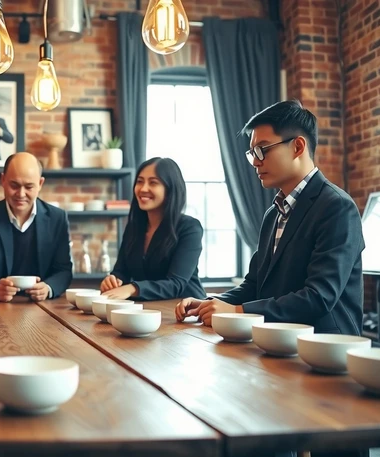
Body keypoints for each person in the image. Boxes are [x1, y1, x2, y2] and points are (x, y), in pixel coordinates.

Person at [175, 100, 365, 338]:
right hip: (278, 342)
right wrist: (208, 303)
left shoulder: (337, 207)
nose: (255, 161)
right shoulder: (273, 213)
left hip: (325, 347)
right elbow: (254, 286)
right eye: (252, 152)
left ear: (297, 147)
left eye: (262, 150)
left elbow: (318, 297)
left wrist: (238, 311)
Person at [0, 152, 72, 302]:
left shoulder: (57, 219)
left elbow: (64, 271)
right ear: (3, 180)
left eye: (29, 187)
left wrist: (48, 287)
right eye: (14, 185)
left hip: (46, 308)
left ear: (40, 184)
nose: (21, 194)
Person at [100, 157, 205, 301]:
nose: (143, 189)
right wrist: (113, 280)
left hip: (186, 313)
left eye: (153, 183)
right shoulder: (134, 227)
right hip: (146, 311)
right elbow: (121, 272)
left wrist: (133, 288)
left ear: (170, 188)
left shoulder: (190, 227)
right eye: (140, 181)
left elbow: (176, 283)